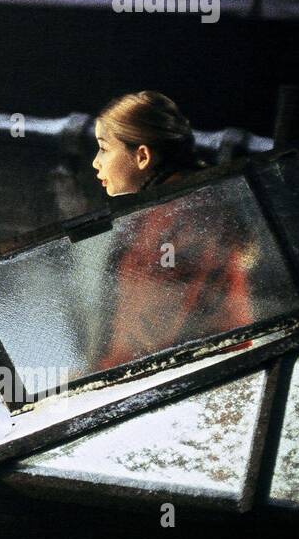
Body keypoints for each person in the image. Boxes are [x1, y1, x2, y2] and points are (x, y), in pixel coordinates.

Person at [87, 92, 255, 371]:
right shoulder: (164, 210)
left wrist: (92, 380)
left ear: (142, 156)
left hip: (201, 383)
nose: (96, 162)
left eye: (104, 148)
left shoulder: (185, 217)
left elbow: (152, 335)